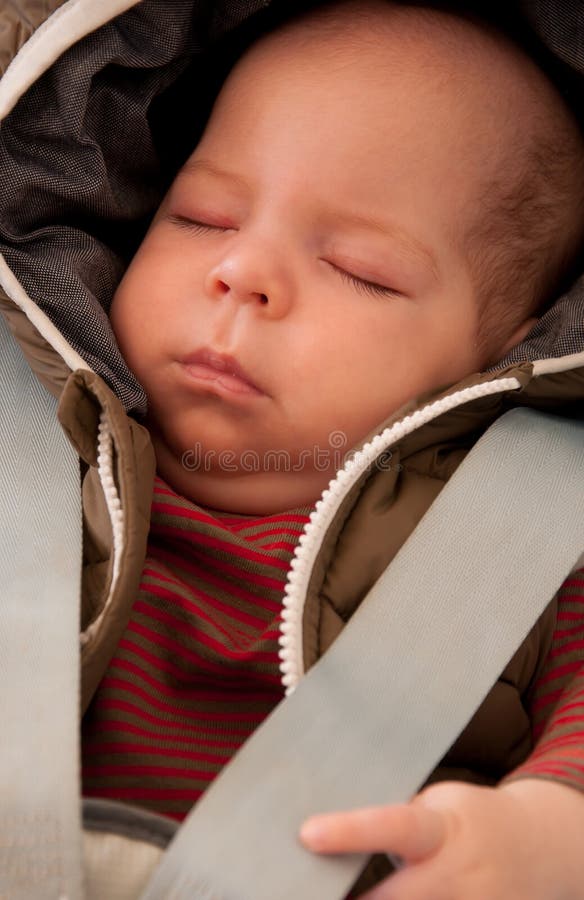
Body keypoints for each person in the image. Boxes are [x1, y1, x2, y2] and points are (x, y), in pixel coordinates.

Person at [82, 1, 584, 896]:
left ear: (505, 354)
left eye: (359, 269)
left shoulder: (533, 537)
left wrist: (551, 831)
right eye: (201, 216)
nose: (241, 275)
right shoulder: (29, 452)